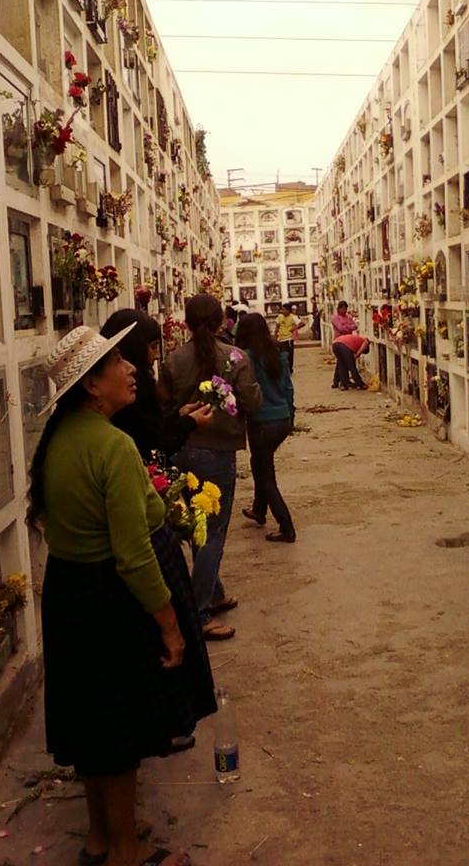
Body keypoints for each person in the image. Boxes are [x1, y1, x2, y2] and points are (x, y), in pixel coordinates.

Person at [27, 324, 191, 866]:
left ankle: (101, 836)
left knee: (92, 726)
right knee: (118, 731)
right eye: (118, 362)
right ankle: (126, 851)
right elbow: (134, 555)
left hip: (68, 591)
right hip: (107, 597)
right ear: (92, 386)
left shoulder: (61, 438)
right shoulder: (113, 446)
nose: (131, 370)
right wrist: (169, 624)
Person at [100, 310, 217, 754]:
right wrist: (189, 424)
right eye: (148, 348)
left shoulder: (138, 392)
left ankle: (169, 715)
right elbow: (157, 441)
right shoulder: (118, 422)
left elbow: (157, 432)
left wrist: (181, 416)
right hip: (142, 532)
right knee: (161, 627)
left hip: (150, 510)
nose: (148, 359)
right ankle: (162, 720)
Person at [160, 294, 263, 641]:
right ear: (221, 322)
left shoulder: (173, 359)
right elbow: (251, 400)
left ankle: (214, 595)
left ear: (186, 323)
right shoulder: (234, 357)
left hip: (181, 450)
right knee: (213, 532)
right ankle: (200, 612)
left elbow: (166, 406)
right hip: (217, 452)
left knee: (194, 524)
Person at [235, 313, 296, 543]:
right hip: (282, 420)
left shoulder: (245, 358)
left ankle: (286, 526)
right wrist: (290, 413)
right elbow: (288, 387)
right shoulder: (278, 353)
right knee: (261, 463)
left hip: (261, 422)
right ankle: (259, 510)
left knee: (264, 475)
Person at [275, 302, 304, 372]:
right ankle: (283, 368)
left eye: (284, 310)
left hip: (288, 339)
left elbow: (302, 323)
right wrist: (275, 335)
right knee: (281, 355)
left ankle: (289, 369)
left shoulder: (293, 317)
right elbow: (277, 326)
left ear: (288, 310)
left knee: (289, 355)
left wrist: (294, 328)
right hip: (281, 339)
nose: (283, 311)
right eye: (282, 310)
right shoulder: (280, 316)